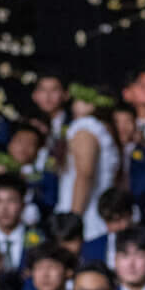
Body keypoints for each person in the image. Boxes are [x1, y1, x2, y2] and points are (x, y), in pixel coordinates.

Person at [59, 85, 120, 240]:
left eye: (78, 100)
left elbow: (85, 174)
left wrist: (74, 218)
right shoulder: (107, 129)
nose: (74, 105)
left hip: (86, 215)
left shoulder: (85, 128)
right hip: (104, 212)